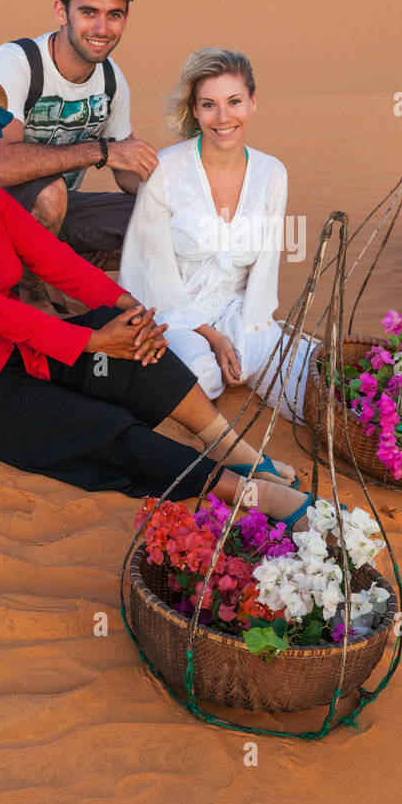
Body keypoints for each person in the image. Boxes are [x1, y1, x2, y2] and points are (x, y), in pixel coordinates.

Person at [0, 77, 312, 526]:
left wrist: (126, 305)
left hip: (20, 346)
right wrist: (93, 341)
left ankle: (239, 452)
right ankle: (254, 494)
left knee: (130, 340)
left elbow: (54, 259)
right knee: (99, 428)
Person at [119, 49, 313, 480]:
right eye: (209, 104)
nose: (223, 117)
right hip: (174, 309)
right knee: (203, 377)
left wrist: (249, 330)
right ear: (194, 109)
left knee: (297, 376)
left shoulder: (272, 173)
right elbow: (149, 272)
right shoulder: (166, 170)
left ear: (253, 102)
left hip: (238, 304)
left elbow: (263, 271)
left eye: (234, 101)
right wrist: (213, 337)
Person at [0, 0, 159, 309]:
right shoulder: (15, 62)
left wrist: (185, 189)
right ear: (60, 12)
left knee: (156, 218)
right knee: (51, 194)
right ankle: (29, 299)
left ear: (125, 20)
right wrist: (100, 151)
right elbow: (1, 165)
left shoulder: (112, 80)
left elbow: (128, 172)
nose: (102, 28)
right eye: (88, 12)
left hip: (52, 220)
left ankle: (60, 269)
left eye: (113, 14)